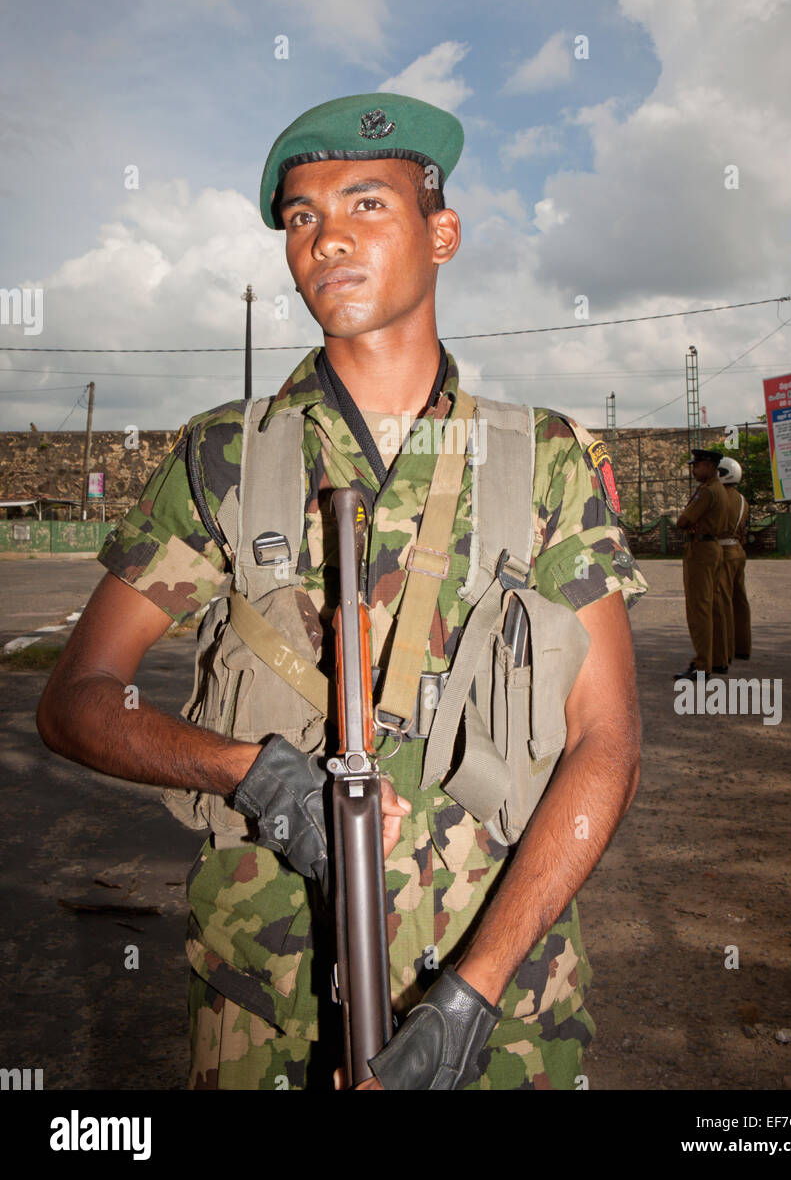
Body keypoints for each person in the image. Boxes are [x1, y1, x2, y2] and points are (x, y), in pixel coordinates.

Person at [37, 92, 646, 1091]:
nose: (326, 240)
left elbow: (605, 740)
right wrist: (249, 773)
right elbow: (76, 699)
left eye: (366, 205)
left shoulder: (540, 458)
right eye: (302, 218)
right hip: (264, 1003)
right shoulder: (226, 455)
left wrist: (470, 995)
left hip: (499, 1009)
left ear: (440, 231)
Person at [674, 447, 728, 679]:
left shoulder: (707, 492)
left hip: (701, 550)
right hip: (713, 548)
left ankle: (702, 665)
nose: (694, 470)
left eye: (696, 465)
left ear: (708, 466)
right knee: (713, 608)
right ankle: (718, 660)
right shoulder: (720, 489)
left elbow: (684, 520)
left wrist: (686, 521)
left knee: (699, 610)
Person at [716, 457, 751, 663]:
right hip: (738, 549)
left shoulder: (719, 496)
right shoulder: (742, 499)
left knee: (722, 601)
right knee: (740, 600)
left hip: (723, 549)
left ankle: (724, 650)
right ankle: (742, 646)